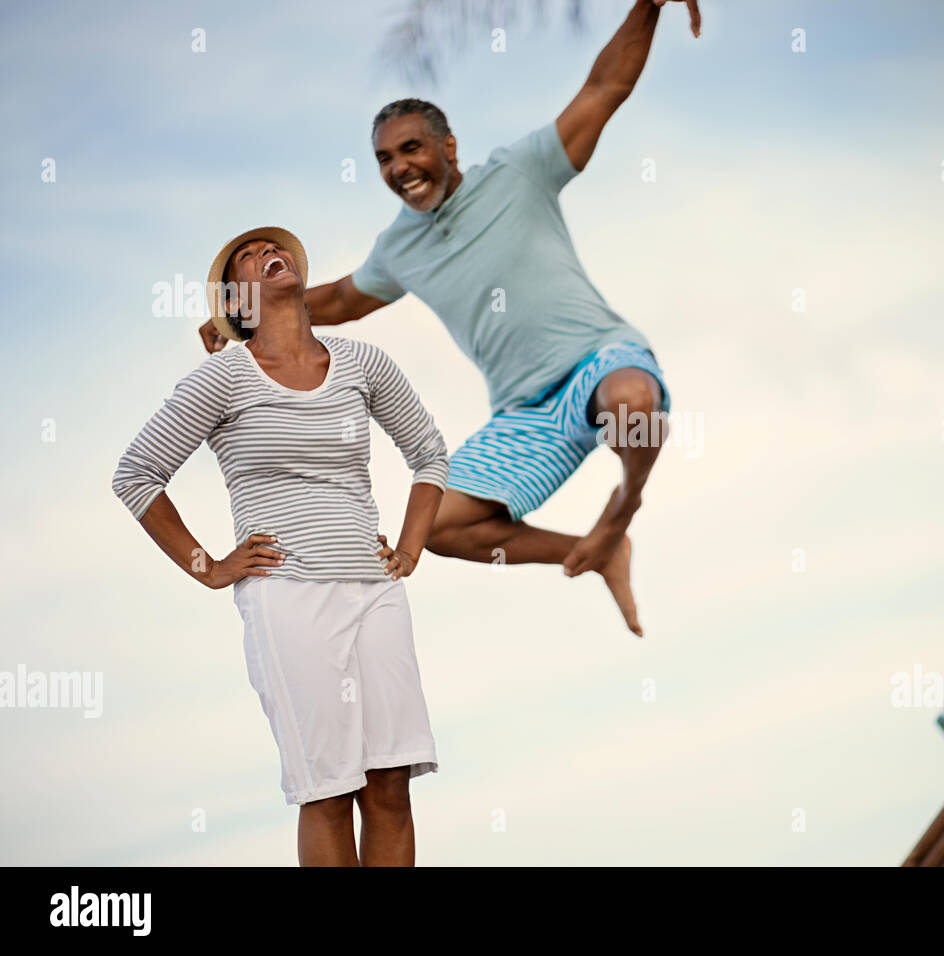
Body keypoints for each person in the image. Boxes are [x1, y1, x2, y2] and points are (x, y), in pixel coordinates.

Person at [199, 0, 703, 637]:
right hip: (525, 411)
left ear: (448, 146)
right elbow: (339, 302)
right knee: (437, 526)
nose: (399, 167)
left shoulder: (519, 172)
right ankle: (595, 552)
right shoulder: (399, 248)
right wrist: (237, 315)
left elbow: (605, 86)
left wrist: (649, 5)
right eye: (384, 158)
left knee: (630, 402)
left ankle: (620, 513)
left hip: (600, 358)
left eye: (410, 148)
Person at [114, 226, 449, 866]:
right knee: (327, 791)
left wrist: (409, 548)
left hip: (376, 594)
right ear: (236, 303)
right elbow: (136, 474)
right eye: (245, 256)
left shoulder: (364, 364)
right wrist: (207, 566)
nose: (266, 253)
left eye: (274, 248)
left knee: (390, 786)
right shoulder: (223, 378)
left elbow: (430, 454)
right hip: (288, 598)